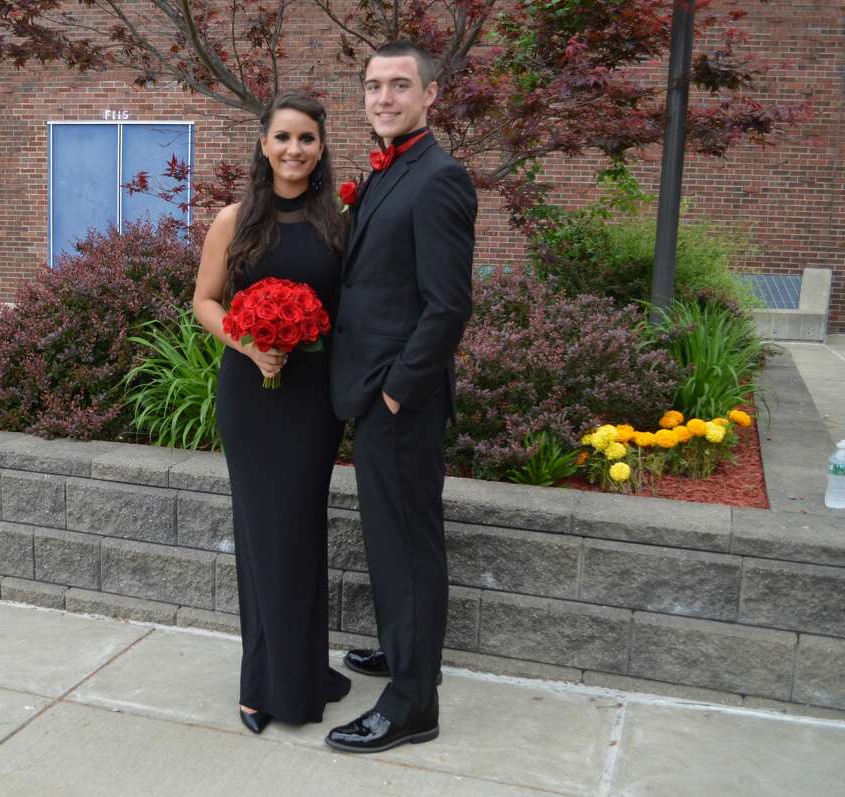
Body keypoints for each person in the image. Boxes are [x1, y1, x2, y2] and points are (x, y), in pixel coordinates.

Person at [326, 41, 477, 753]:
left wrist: (392, 393)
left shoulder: (440, 178)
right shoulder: (388, 170)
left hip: (401, 401)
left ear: (430, 96)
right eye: (373, 86)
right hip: (372, 392)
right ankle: (403, 646)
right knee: (388, 541)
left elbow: (447, 306)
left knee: (409, 546)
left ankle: (414, 703)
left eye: (398, 85)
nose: (382, 97)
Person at [192, 92, 351, 734]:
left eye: (307, 139)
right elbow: (205, 301)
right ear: (263, 144)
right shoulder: (234, 220)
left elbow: (354, 308)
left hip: (314, 401)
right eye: (283, 137)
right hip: (251, 398)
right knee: (263, 536)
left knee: (303, 532)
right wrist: (250, 344)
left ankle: (306, 672)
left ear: (320, 148)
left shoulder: (340, 221)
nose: (294, 150)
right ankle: (261, 684)